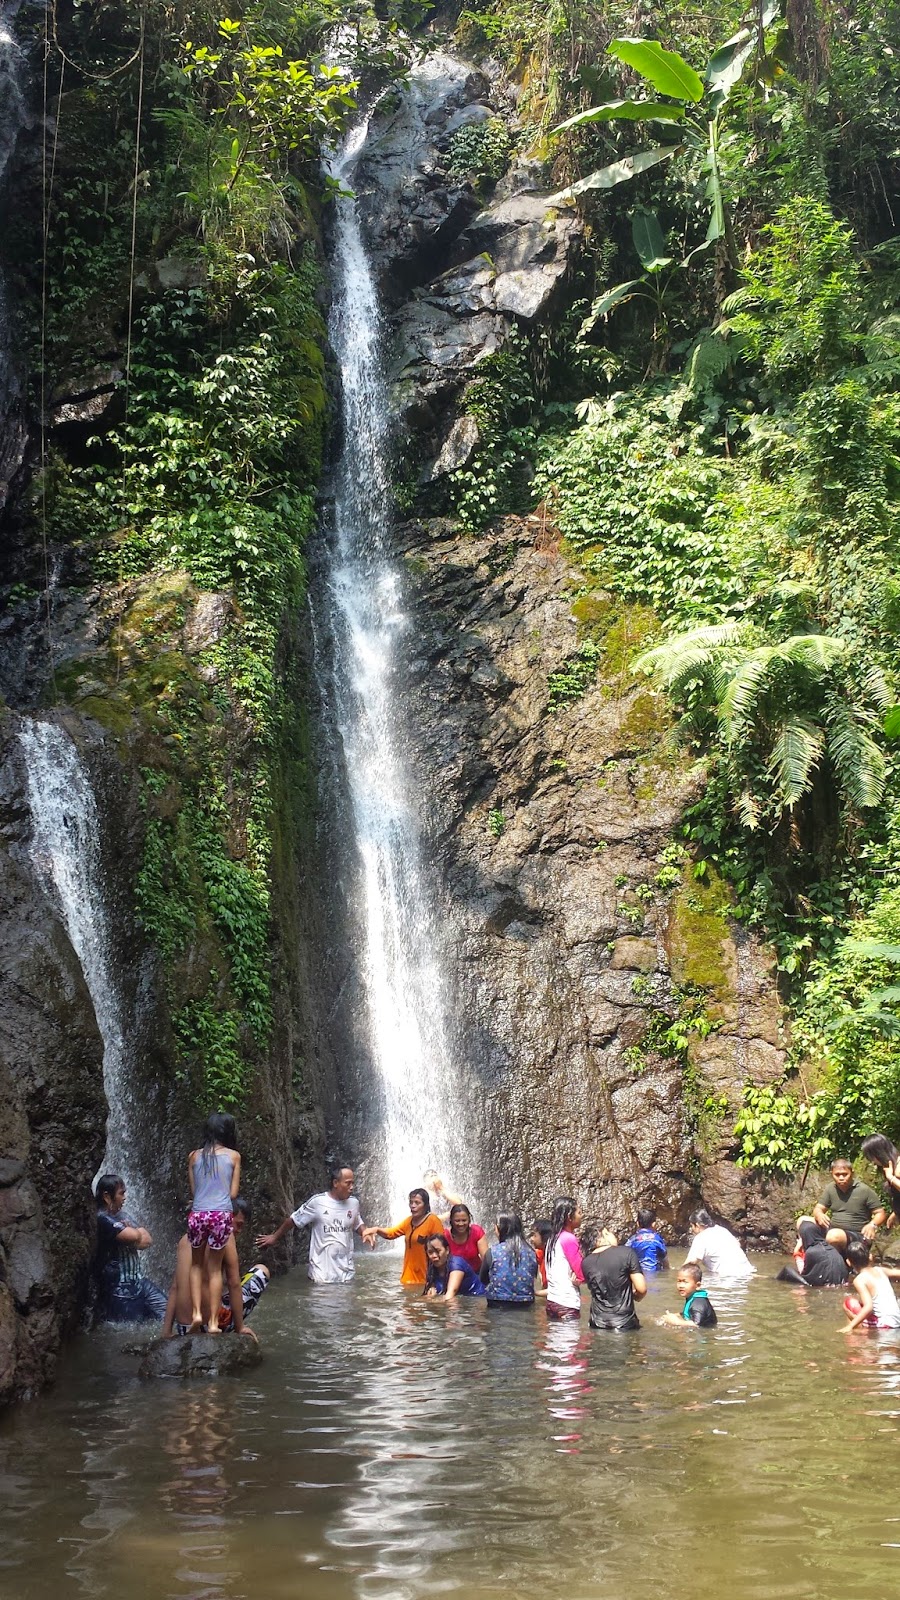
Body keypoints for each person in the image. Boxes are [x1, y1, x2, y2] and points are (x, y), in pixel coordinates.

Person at [162, 1198, 267, 1337]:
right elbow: (234, 1283)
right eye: (238, 1225)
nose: (239, 1231)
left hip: (183, 1328)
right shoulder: (225, 1236)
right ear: (227, 1217)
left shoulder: (186, 1239)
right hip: (209, 1326)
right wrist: (240, 1327)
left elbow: (175, 1287)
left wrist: (166, 1331)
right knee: (262, 1270)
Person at [256, 1164, 366, 1283]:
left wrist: (367, 1233)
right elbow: (294, 1219)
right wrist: (274, 1237)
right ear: (335, 1183)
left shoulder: (354, 1203)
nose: (352, 1187)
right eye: (348, 1183)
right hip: (322, 1275)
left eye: (353, 1183)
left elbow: (357, 1223)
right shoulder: (317, 1202)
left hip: (347, 1274)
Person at [187, 1113, 241, 1334]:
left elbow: (194, 1191)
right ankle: (212, 1323)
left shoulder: (193, 1156)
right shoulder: (234, 1156)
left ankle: (197, 1314)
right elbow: (233, 1193)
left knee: (196, 1265)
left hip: (198, 1214)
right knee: (215, 1270)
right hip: (221, 1215)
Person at [94, 1173, 168, 1323]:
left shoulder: (123, 1215)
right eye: (121, 1193)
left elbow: (147, 1240)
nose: (125, 1198)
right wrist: (134, 1235)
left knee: (168, 1313)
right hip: (120, 1289)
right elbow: (133, 1236)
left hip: (139, 1282)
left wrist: (134, 1235)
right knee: (130, 1329)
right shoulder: (102, 1218)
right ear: (107, 1197)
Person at [363, 1187, 445, 1284]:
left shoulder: (433, 1221)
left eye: (417, 1203)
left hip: (426, 1278)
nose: (413, 1206)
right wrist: (376, 1229)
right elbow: (391, 1233)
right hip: (407, 1277)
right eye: (411, 1202)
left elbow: (441, 1248)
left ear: (426, 1205)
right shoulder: (408, 1221)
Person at [581, 1226, 646, 1332]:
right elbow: (641, 1289)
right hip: (624, 1323)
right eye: (610, 1232)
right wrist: (636, 1296)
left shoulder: (586, 1262)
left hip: (597, 1323)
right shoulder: (627, 1253)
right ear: (604, 1235)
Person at [813, 1157, 886, 1250]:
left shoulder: (864, 1190)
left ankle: (836, 1261)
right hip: (833, 1229)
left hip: (857, 1235)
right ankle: (810, 1256)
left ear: (852, 1173)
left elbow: (881, 1213)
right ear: (832, 1174)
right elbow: (818, 1208)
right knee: (804, 1222)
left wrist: (872, 1225)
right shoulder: (831, 1188)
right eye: (837, 1175)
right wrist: (819, 1214)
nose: (841, 1178)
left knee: (834, 1236)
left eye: (845, 1174)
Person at [479, 1213, 539, 1307]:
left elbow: (483, 1278)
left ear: (500, 1229)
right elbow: (533, 1276)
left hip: (498, 1302)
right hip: (525, 1302)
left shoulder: (492, 1252)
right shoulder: (531, 1252)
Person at [841, 1239, 900, 1332]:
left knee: (849, 1303)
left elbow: (869, 1307)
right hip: (897, 1320)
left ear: (848, 1262)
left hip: (885, 1324)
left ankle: (856, 1336)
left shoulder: (860, 1280)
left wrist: (850, 1326)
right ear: (871, 1257)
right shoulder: (880, 1270)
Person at [543, 1196, 585, 1321]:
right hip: (567, 1303)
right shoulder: (569, 1239)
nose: (581, 1216)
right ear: (569, 1217)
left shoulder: (552, 1238)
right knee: (570, 1340)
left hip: (552, 1301)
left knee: (555, 1339)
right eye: (579, 1212)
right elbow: (581, 1273)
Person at [776, 1219, 849, 1288]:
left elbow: (805, 1274)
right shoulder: (831, 1248)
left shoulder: (812, 1251)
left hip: (823, 1284)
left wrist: (797, 1254)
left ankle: (773, 1281)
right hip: (839, 1283)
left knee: (787, 1270)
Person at [684, 1208, 755, 1278]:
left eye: (691, 1226)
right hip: (747, 1271)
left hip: (727, 1277)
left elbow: (690, 1263)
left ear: (697, 1225)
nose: (691, 1229)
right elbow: (738, 1245)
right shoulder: (722, 1230)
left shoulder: (701, 1238)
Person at [423, 1234, 486, 1299]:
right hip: (462, 1301)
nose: (434, 1255)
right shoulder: (432, 1270)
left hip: (478, 1299)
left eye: (438, 1251)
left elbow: (450, 1295)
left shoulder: (456, 1264)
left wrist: (429, 1301)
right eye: (430, 1252)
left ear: (447, 1250)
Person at [659, 1262, 718, 1328]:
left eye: (685, 1282)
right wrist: (675, 1316)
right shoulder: (692, 1297)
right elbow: (690, 1313)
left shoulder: (699, 1302)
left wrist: (675, 1322)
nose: (681, 1286)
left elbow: (697, 1325)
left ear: (697, 1285)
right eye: (679, 1281)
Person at [860, 1134, 900, 1228]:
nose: (872, 1162)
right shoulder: (891, 1167)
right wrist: (896, 1212)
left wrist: (891, 1177)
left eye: (872, 1157)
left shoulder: (898, 1168)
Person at [443, 1203, 487, 1272]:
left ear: (469, 1219)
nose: (461, 1224)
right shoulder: (445, 1235)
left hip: (476, 1273)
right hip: (453, 1274)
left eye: (464, 1220)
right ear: (451, 1220)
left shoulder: (476, 1231)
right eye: (457, 1221)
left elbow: (486, 1259)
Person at [625, 1207, 669, 1273]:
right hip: (655, 1273)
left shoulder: (633, 1240)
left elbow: (625, 1255)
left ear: (637, 1223)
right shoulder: (657, 1239)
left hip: (638, 1273)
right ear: (654, 1224)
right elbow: (665, 1260)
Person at [529, 1219, 551, 1290]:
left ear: (545, 1238)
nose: (531, 1239)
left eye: (534, 1235)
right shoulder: (541, 1252)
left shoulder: (554, 1259)